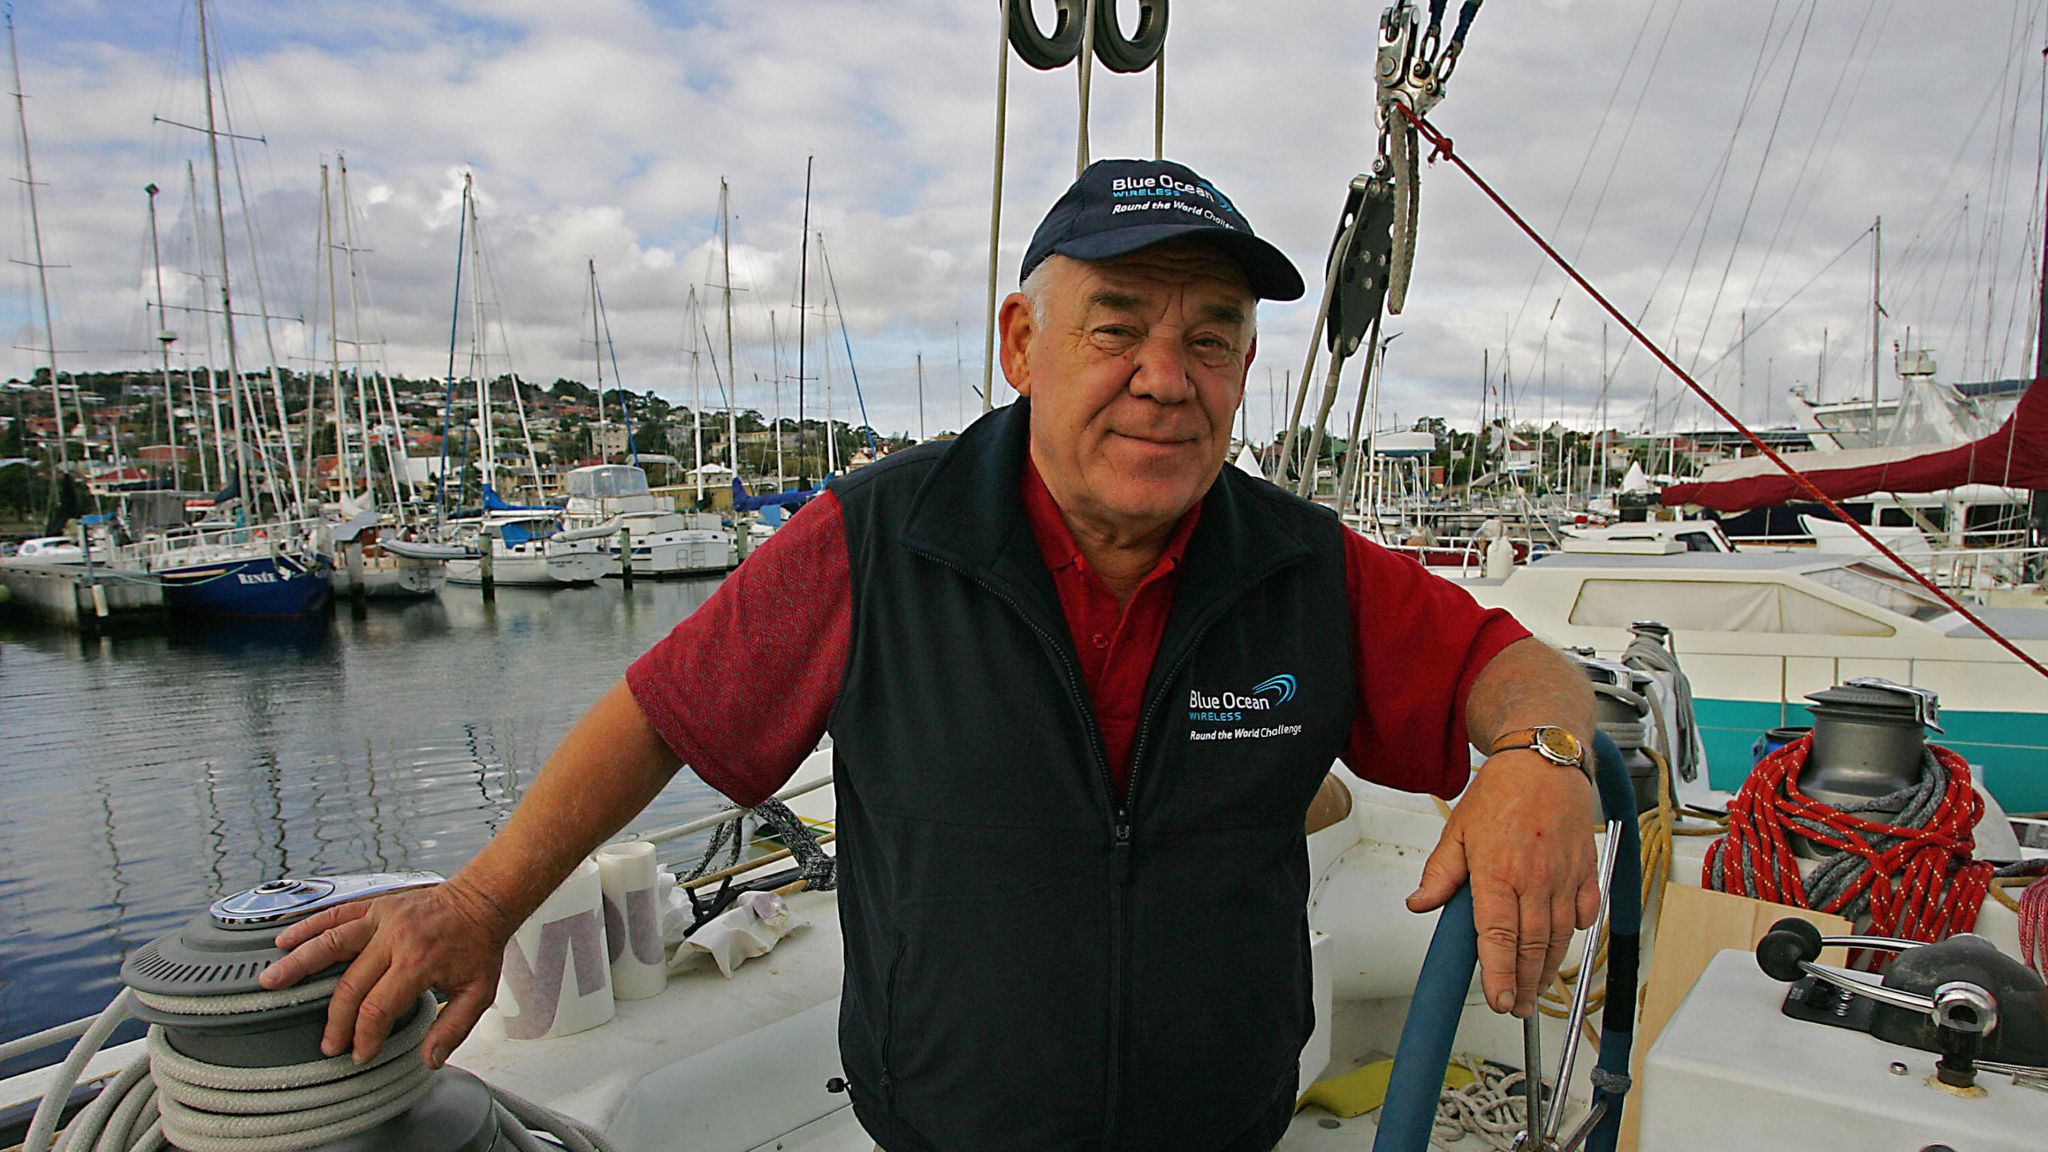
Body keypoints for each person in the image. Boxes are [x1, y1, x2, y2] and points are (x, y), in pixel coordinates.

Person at [262, 158, 1598, 1152]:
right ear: (1022, 344)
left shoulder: (1301, 565)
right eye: (1117, 324)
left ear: (1246, 369)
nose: (1164, 375)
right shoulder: (876, 540)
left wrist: (1538, 763)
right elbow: (665, 714)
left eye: (1210, 339)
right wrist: (486, 903)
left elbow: (1515, 667)